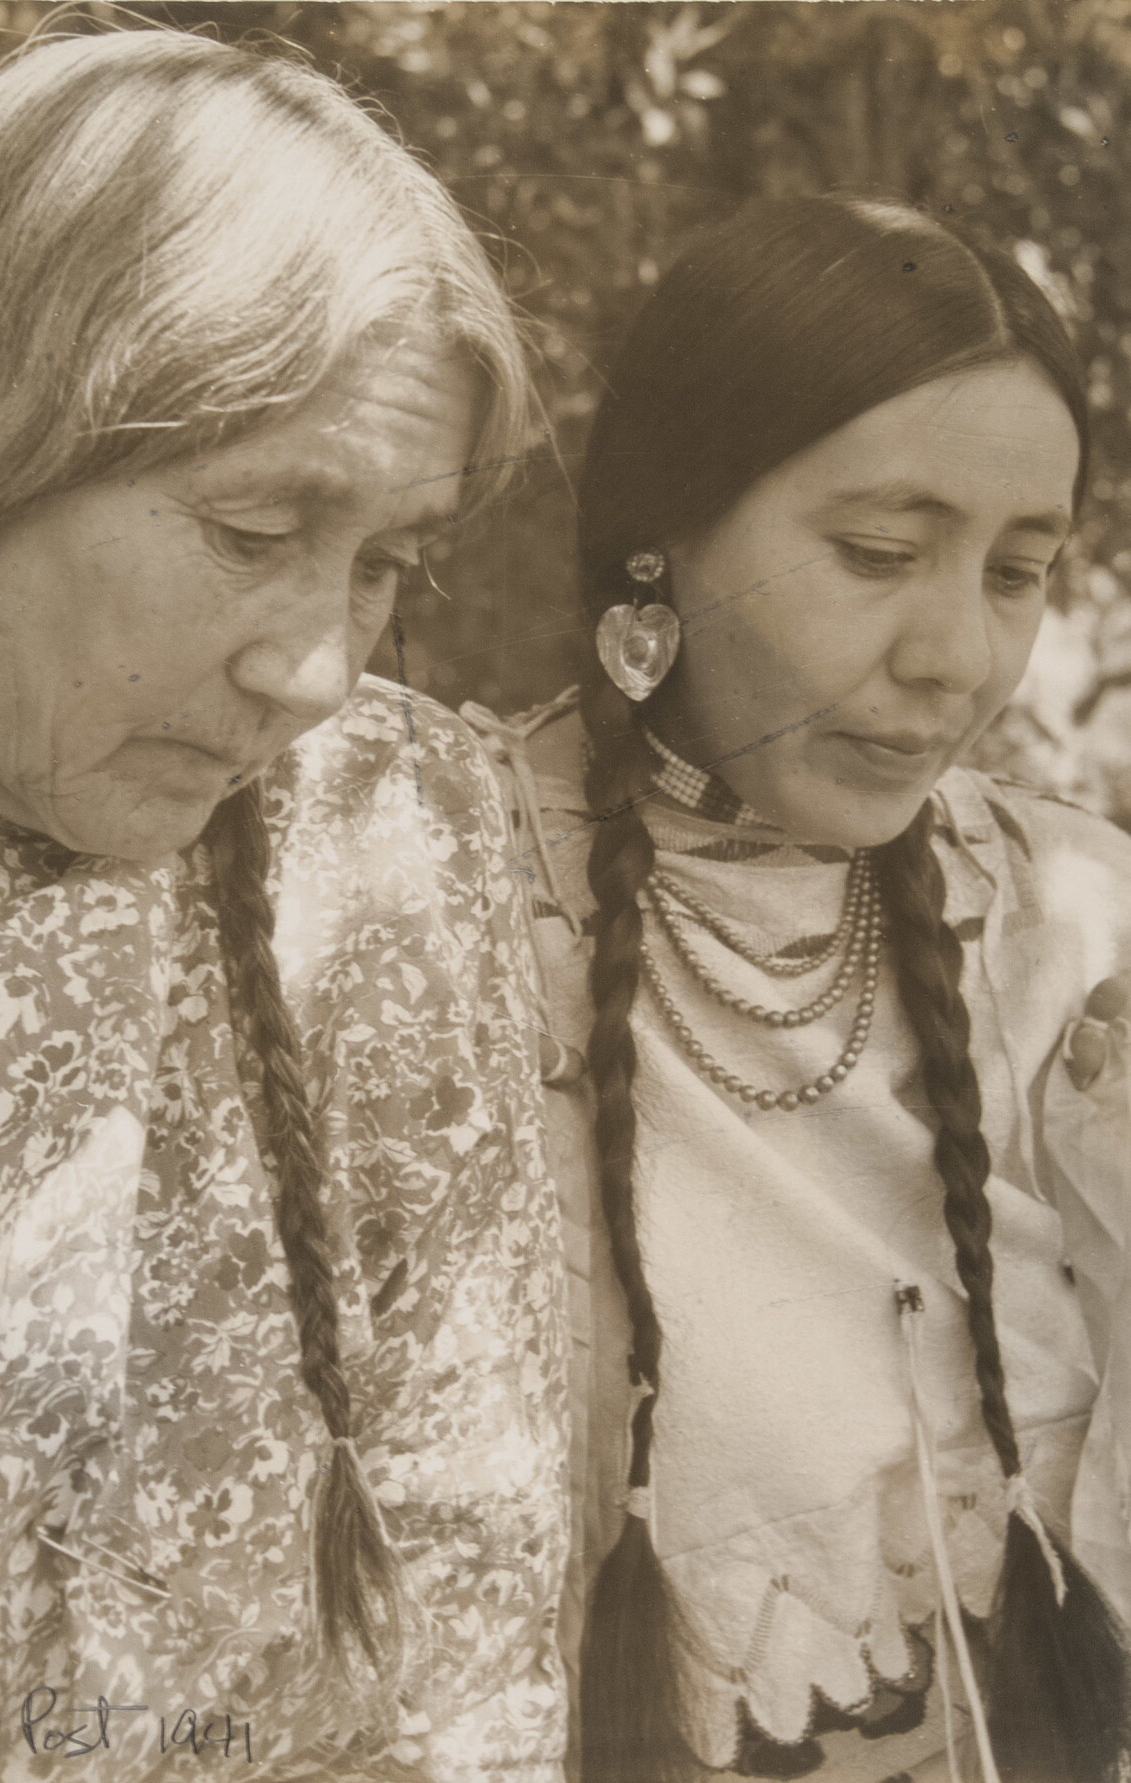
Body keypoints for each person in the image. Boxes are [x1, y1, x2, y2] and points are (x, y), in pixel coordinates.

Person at [0, 27, 571, 1782]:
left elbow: (466, 1594)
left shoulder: (399, 829)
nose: (322, 669)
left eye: (387, 561)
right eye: (258, 527)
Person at [470, 196, 1131, 1783]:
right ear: (664, 533)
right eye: (880, 554)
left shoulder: (1069, 926)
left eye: (1018, 574)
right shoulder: (428, 897)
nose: (957, 658)